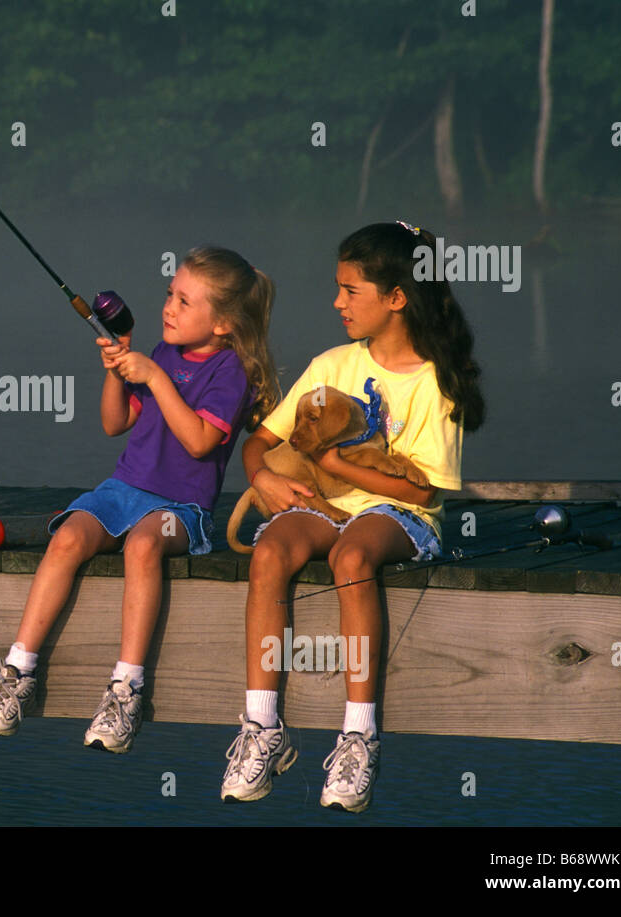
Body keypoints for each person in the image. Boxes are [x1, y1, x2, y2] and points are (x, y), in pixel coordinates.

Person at [220, 221, 484, 812]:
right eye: (337, 289)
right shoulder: (331, 365)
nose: (337, 302)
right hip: (323, 503)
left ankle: (359, 735)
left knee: (352, 555)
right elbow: (260, 441)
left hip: (397, 514)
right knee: (270, 551)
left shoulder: (434, 380)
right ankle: (262, 728)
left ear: (397, 299)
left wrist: (333, 458)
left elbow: (421, 494)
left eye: (350, 291)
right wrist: (263, 478)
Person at [0, 246, 280, 753]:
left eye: (184, 301)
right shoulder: (159, 353)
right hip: (122, 490)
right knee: (69, 535)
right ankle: (17, 671)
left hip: (180, 508)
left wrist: (156, 379)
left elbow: (202, 441)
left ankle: (126, 689)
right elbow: (114, 423)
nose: (169, 308)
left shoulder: (230, 372)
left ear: (223, 322)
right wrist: (116, 371)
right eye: (169, 295)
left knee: (142, 545)